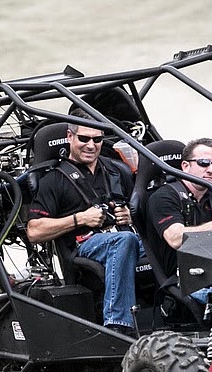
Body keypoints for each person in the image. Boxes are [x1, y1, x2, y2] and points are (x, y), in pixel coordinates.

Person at [26, 111, 143, 336]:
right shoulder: (53, 180)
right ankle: (117, 326)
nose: (91, 145)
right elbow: (34, 231)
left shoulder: (116, 171)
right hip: (85, 244)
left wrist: (129, 215)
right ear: (70, 137)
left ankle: (195, 309)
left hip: (124, 236)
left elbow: (139, 212)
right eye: (84, 139)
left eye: (97, 140)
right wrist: (80, 219)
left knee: (172, 238)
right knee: (124, 240)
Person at [145, 137, 212, 304]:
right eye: (204, 163)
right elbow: (175, 238)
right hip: (184, 278)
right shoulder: (163, 196)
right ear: (185, 166)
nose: (210, 169)